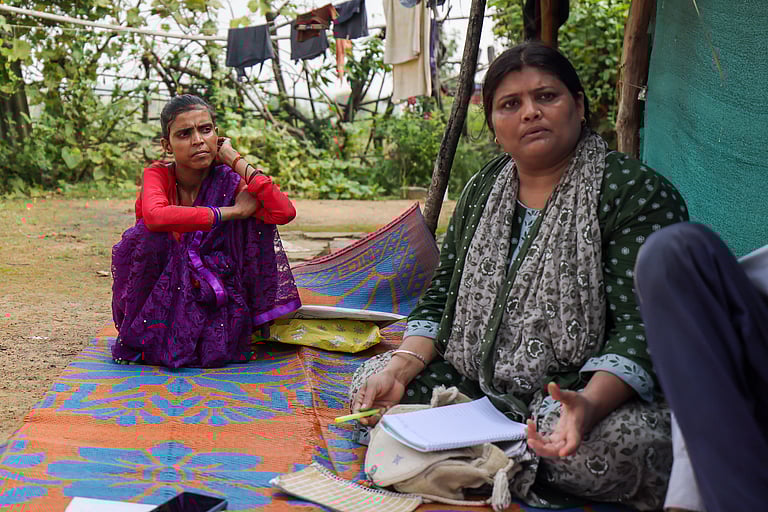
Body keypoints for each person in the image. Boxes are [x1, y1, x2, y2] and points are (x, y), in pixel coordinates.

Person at [348, 41, 689, 509]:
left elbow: (645, 325)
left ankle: (468, 454)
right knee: (372, 383)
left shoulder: (632, 192)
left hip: (583, 391)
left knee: (621, 445)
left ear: (578, 105)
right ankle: (486, 449)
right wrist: (401, 366)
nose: (530, 112)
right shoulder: (483, 188)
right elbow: (442, 294)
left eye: (546, 96)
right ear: (493, 126)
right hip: (475, 383)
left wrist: (587, 406)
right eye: (511, 104)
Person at [111, 94, 301, 369]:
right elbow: (154, 216)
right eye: (185, 134)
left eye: (206, 130)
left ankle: (237, 322)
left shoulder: (230, 180)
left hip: (213, 291)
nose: (198, 140)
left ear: (217, 136)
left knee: (258, 223)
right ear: (167, 145)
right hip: (158, 297)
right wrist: (231, 212)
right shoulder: (158, 175)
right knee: (145, 236)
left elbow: (284, 212)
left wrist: (236, 160)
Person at [635, 222, 768, 512]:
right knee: (672, 255)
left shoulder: (635, 196)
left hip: (634, 392)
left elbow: (629, 336)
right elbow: (700, 345)